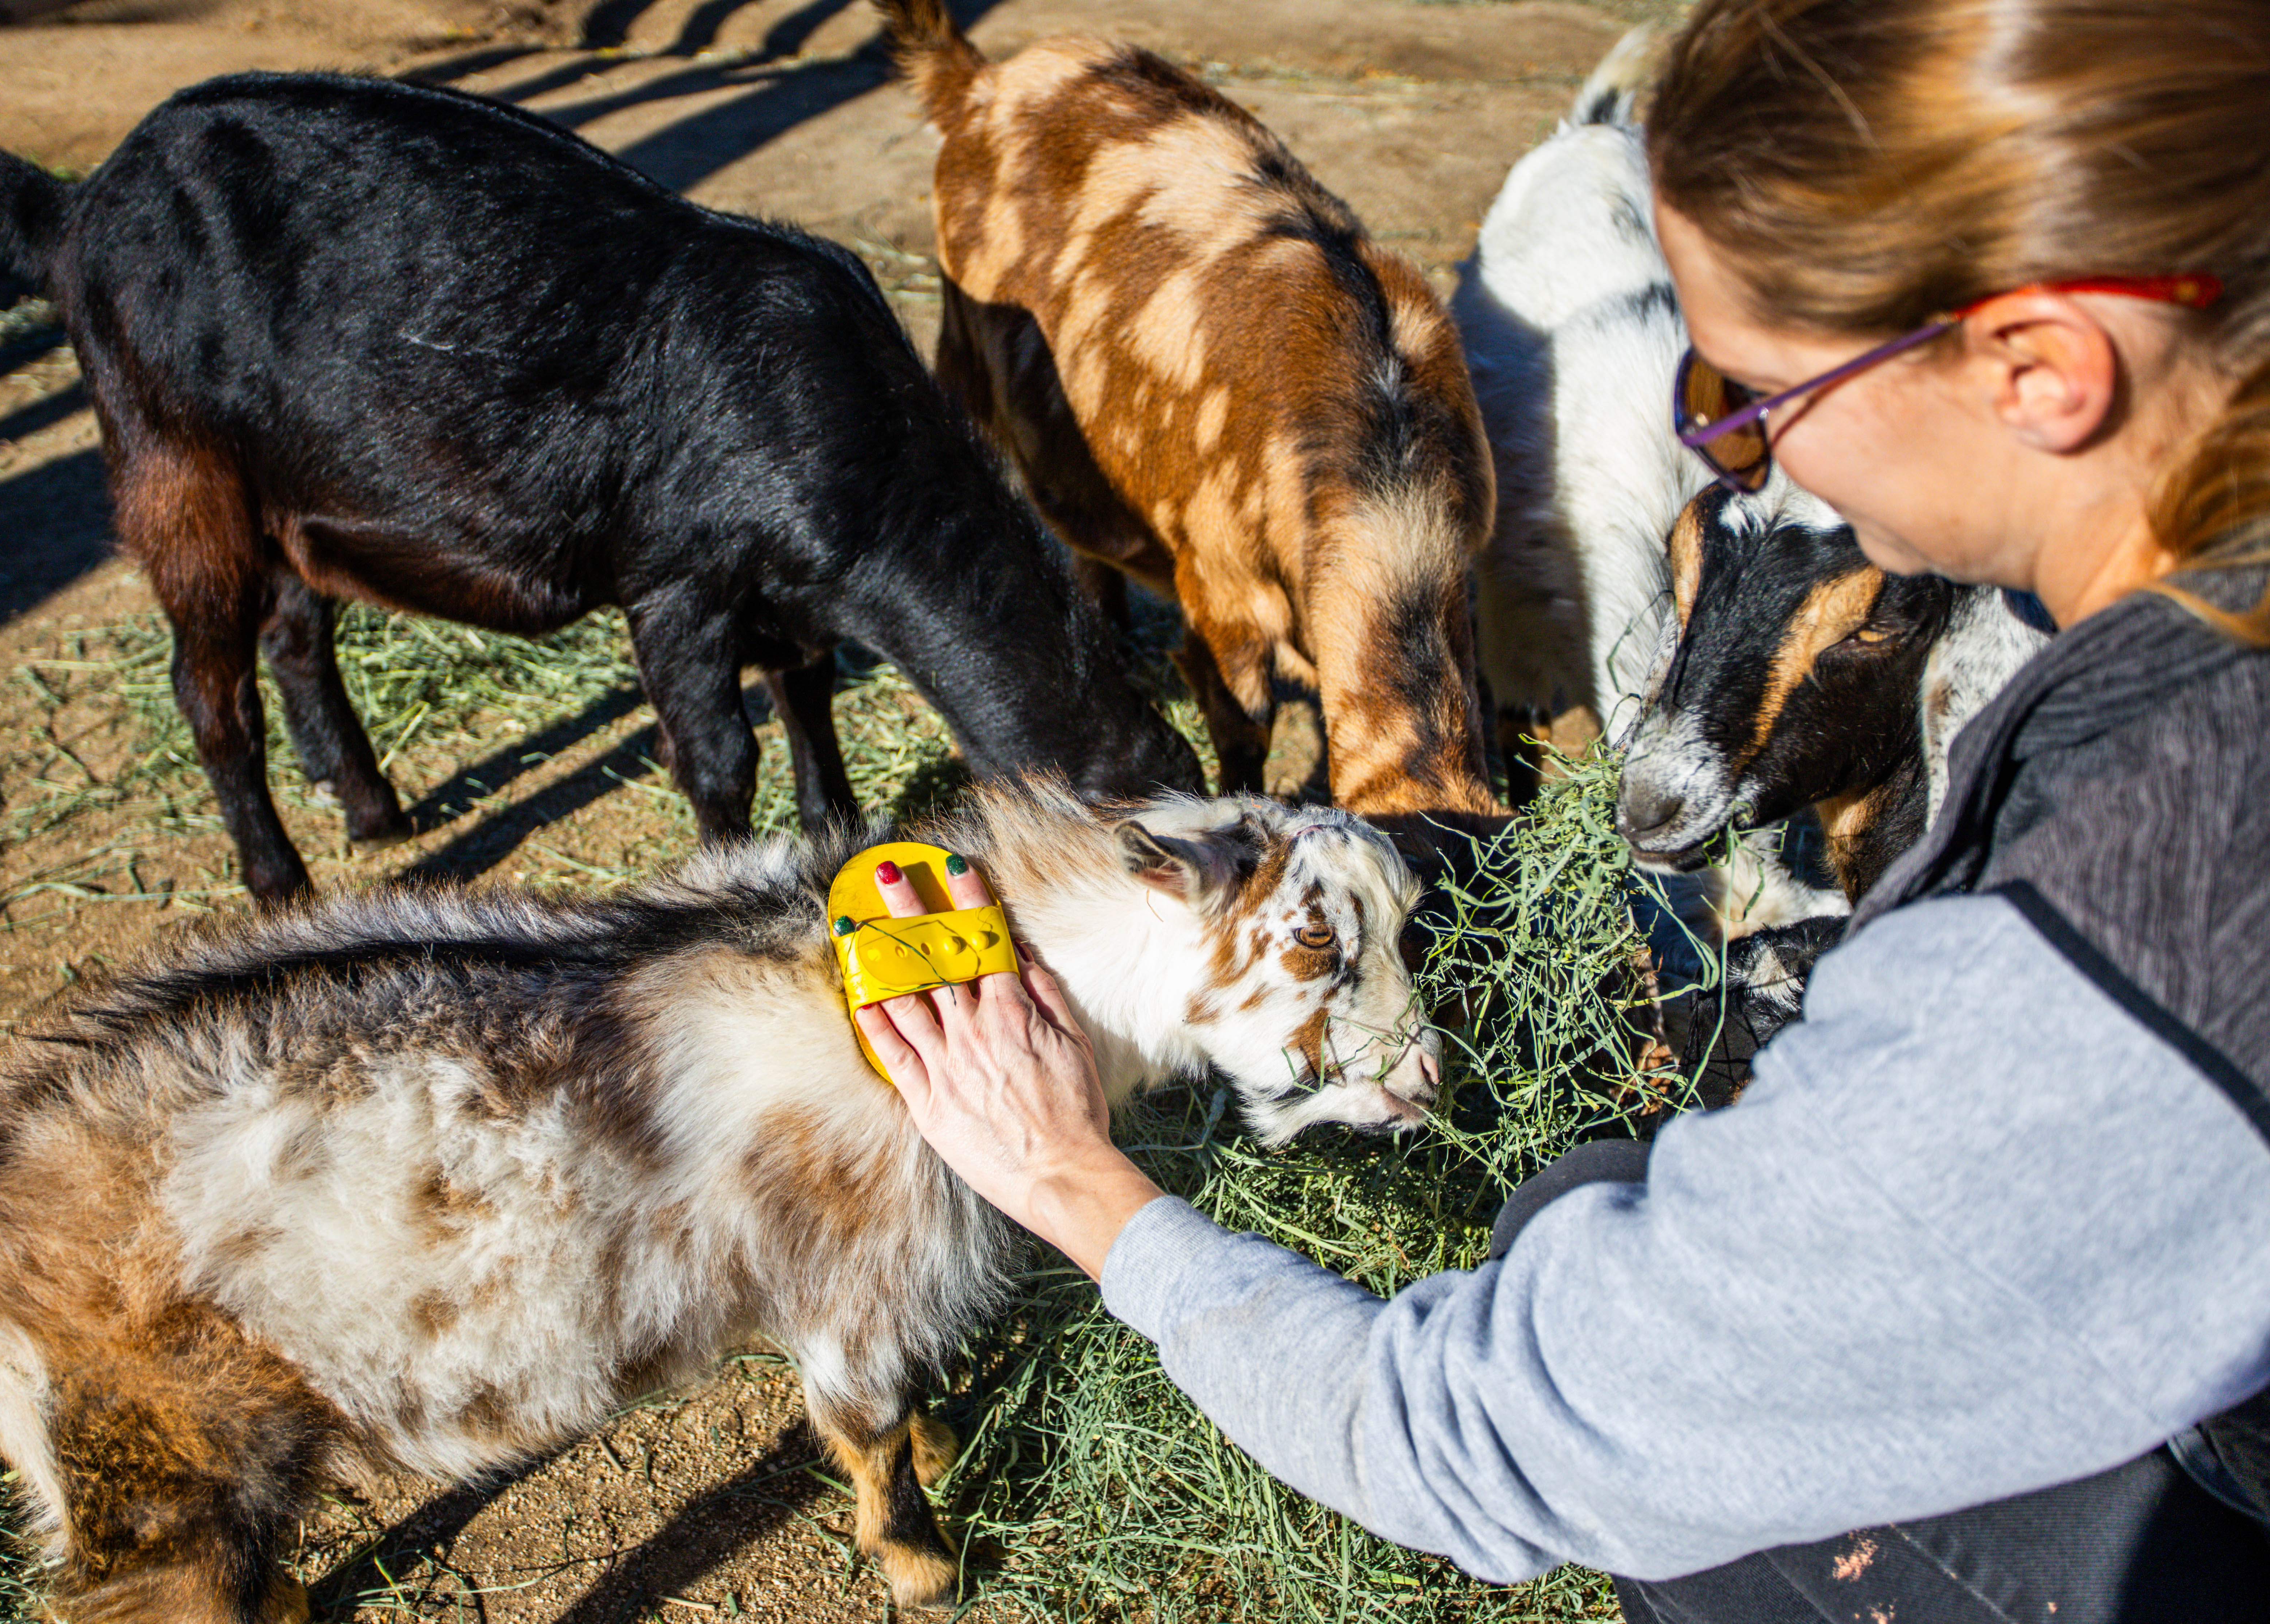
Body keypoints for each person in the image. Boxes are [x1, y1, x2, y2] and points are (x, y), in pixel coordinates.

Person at [851, 0, 2270, 1618]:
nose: (1725, 463)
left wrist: (1074, 1183)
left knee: (1608, 1300)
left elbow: (1475, 1438)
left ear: (2037, 368)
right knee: (1576, 1201)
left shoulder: (2114, 931)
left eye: (1747, 395)